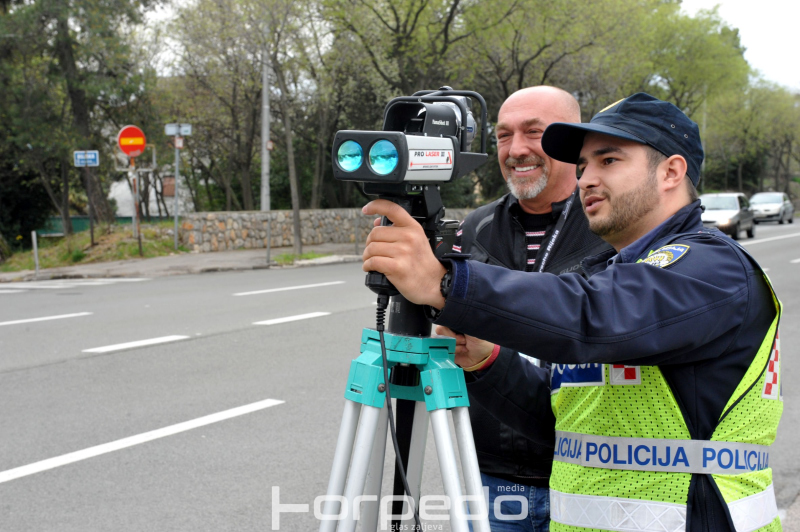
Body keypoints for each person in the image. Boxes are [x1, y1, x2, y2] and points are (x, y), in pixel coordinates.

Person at [362, 93, 782, 531]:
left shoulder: (712, 266)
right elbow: (563, 423)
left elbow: (592, 312)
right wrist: (487, 361)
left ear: (671, 172)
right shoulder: (618, 270)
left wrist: (447, 283)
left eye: (609, 161)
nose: (586, 179)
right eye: (583, 166)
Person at [455, 86, 610, 531]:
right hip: (487, 477)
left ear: (571, 142)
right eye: (504, 135)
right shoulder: (475, 228)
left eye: (534, 132)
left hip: (588, 476)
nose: (516, 149)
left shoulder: (612, 227)